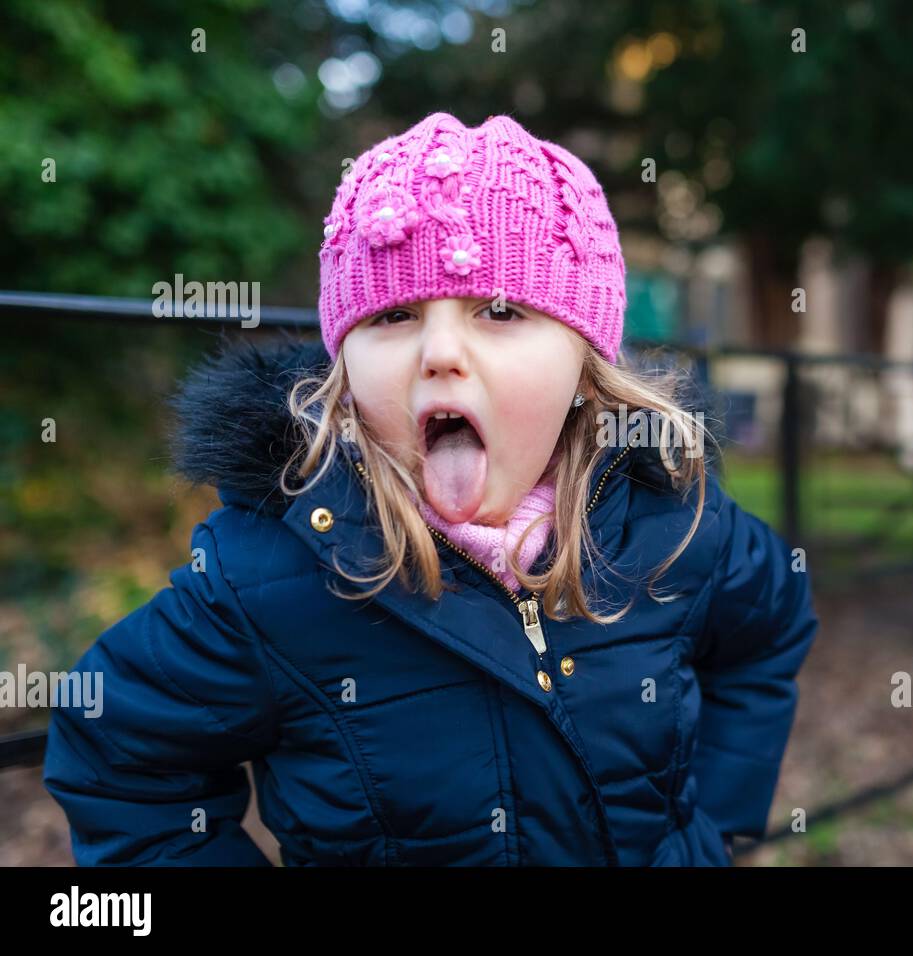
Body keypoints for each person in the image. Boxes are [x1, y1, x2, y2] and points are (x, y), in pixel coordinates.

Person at [42, 111, 819, 866]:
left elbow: (769, 626)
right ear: (344, 367)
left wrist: (710, 829)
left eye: (502, 310)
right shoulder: (266, 573)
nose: (441, 351)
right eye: (395, 316)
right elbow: (114, 750)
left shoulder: (674, 520)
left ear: (585, 366)